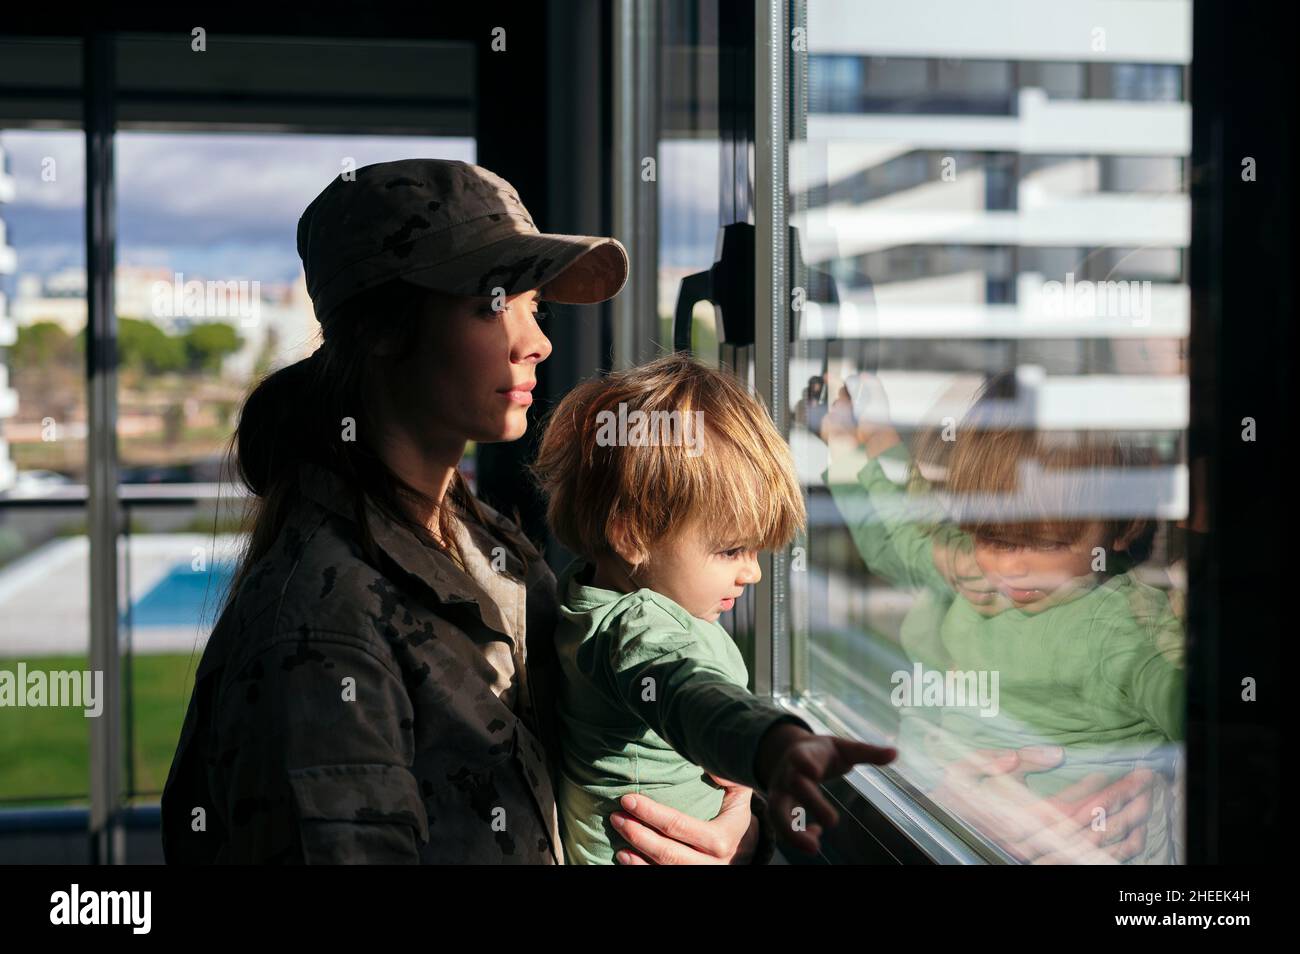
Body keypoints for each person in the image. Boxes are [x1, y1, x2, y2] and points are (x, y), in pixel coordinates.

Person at [160, 158, 774, 864]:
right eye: (494, 303)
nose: (536, 342)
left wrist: (730, 835)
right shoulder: (320, 631)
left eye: (534, 306)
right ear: (384, 329)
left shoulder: (486, 545)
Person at [530, 354, 897, 863]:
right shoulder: (637, 628)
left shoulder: (585, 598)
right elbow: (689, 692)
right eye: (730, 550)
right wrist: (773, 747)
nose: (752, 573)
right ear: (632, 533)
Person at [819, 371, 1185, 863]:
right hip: (943, 833)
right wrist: (848, 447)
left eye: (1047, 544)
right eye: (993, 538)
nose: (1011, 565)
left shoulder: (1120, 627)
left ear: (1122, 526)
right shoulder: (973, 573)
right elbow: (897, 536)